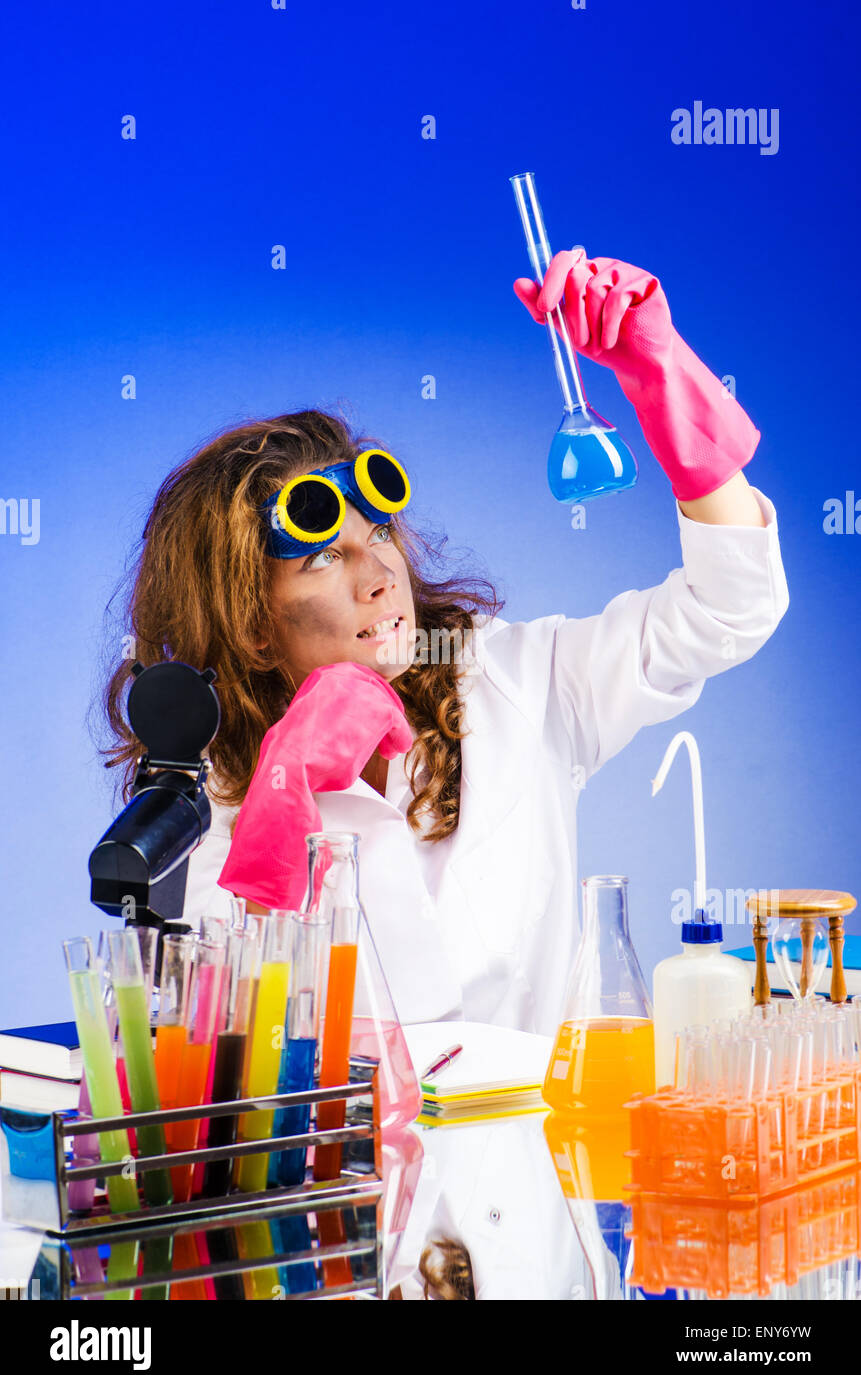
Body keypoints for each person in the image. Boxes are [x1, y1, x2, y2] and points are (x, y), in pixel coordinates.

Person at [102, 250, 789, 1034]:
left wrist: (660, 377)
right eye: (323, 556)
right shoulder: (203, 803)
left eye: (379, 532)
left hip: (530, 1147)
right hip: (341, 1157)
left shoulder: (513, 683)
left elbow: (727, 609)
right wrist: (281, 796)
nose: (380, 575)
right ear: (253, 629)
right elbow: (209, 1042)